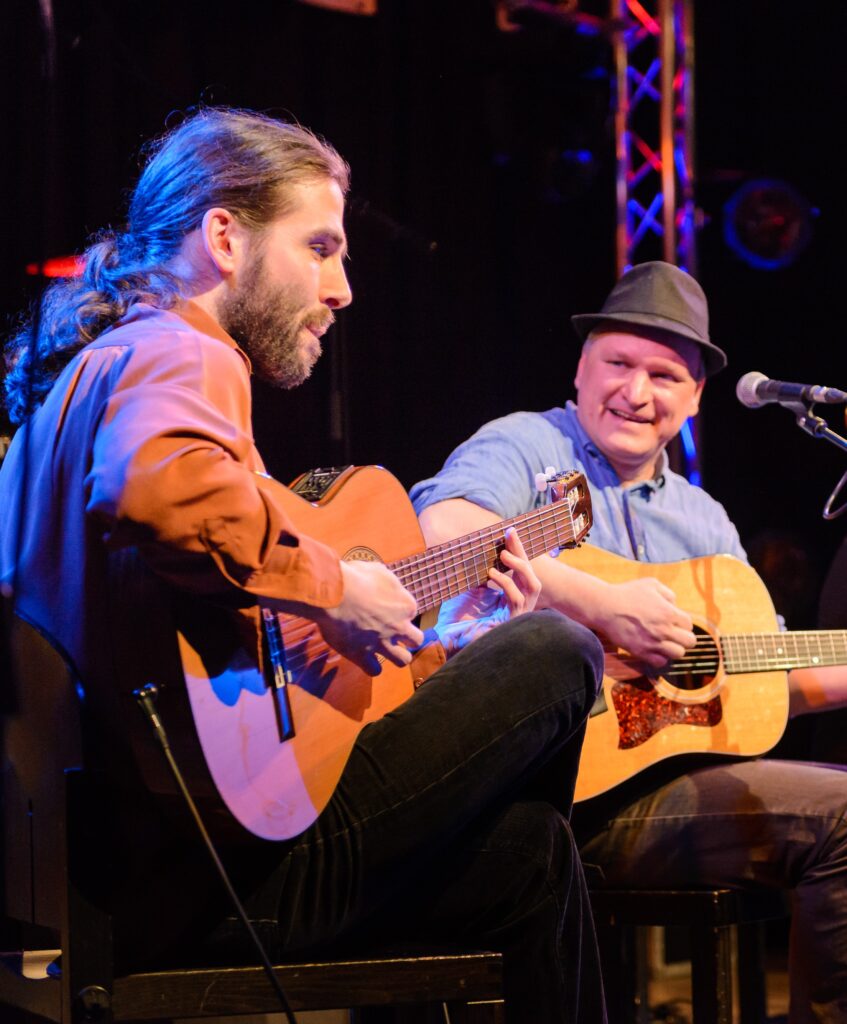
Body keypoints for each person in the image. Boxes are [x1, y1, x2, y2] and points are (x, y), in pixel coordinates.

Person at [0, 108, 608, 1023]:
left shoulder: (87, 371)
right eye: (319, 247)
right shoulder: (184, 350)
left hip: (107, 877)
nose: (342, 288)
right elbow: (155, 490)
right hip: (204, 871)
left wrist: (422, 626)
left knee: (530, 857)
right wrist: (332, 587)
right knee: (556, 653)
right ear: (223, 238)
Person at [412, 261, 847, 1024]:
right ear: (580, 368)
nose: (636, 393)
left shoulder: (702, 519)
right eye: (617, 363)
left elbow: (763, 672)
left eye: (663, 375)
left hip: (654, 791)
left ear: (695, 397)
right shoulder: (524, 445)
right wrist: (606, 606)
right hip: (532, 800)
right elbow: (442, 531)